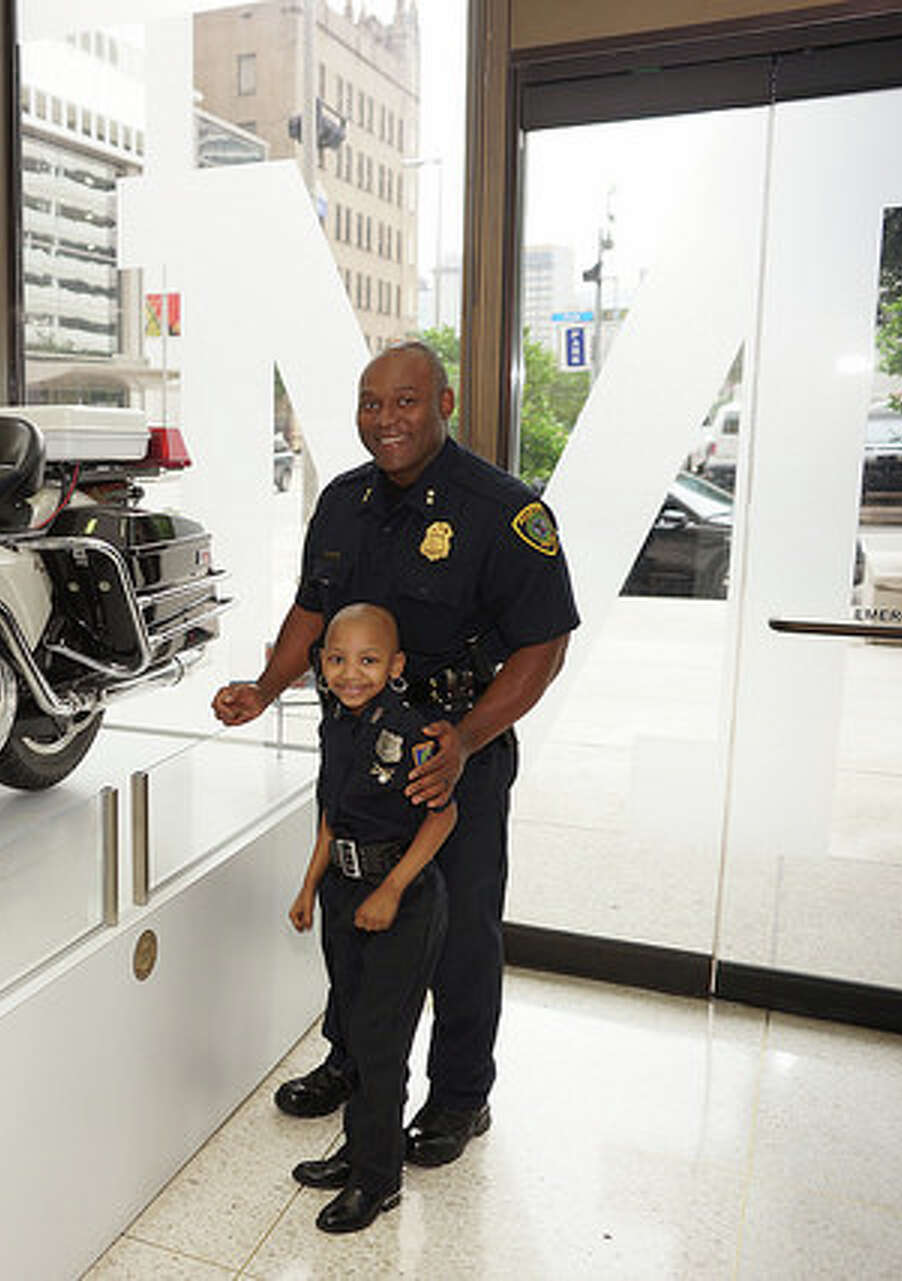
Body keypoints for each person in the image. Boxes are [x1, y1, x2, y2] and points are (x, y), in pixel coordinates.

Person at [215, 340, 577, 1168]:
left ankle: (458, 1098)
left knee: (459, 934)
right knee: (352, 917)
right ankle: (354, 1061)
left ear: (445, 403)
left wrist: (467, 738)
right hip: (353, 747)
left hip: (455, 751)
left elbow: (543, 646)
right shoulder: (343, 502)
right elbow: (313, 614)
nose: (386, 419)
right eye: (371, 404)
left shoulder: (503, 511)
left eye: (406, 401)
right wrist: (265, 688)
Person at [287, 602, 452, 1234]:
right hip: (343, 889)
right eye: (336, 658)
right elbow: (332, 813)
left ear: (396, 665)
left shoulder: (414, 732)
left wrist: (392, 891)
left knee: (382, 1044)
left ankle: (379, 1181)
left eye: (368, 660)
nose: (350, 672)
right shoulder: (336, 726)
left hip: (401, 899)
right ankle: (359, 1150)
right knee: (354, 1032)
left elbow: (443, 817)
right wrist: (309, 886)